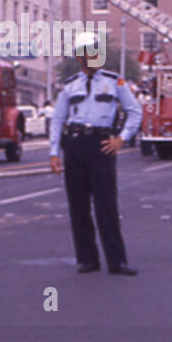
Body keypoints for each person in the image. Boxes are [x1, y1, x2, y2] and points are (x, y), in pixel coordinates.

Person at [49, 31, 143, 275]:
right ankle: (87, 259)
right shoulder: (70, 86)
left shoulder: (114, 82)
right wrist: (54, 152)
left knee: (106, 205)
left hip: (101, 146)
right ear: (80, 57)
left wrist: (122, 139)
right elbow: (58, 119)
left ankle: (116, 261)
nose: (92, 57)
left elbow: (135, 112)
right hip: (75, 145)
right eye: (87, 53)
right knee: (78, 205)